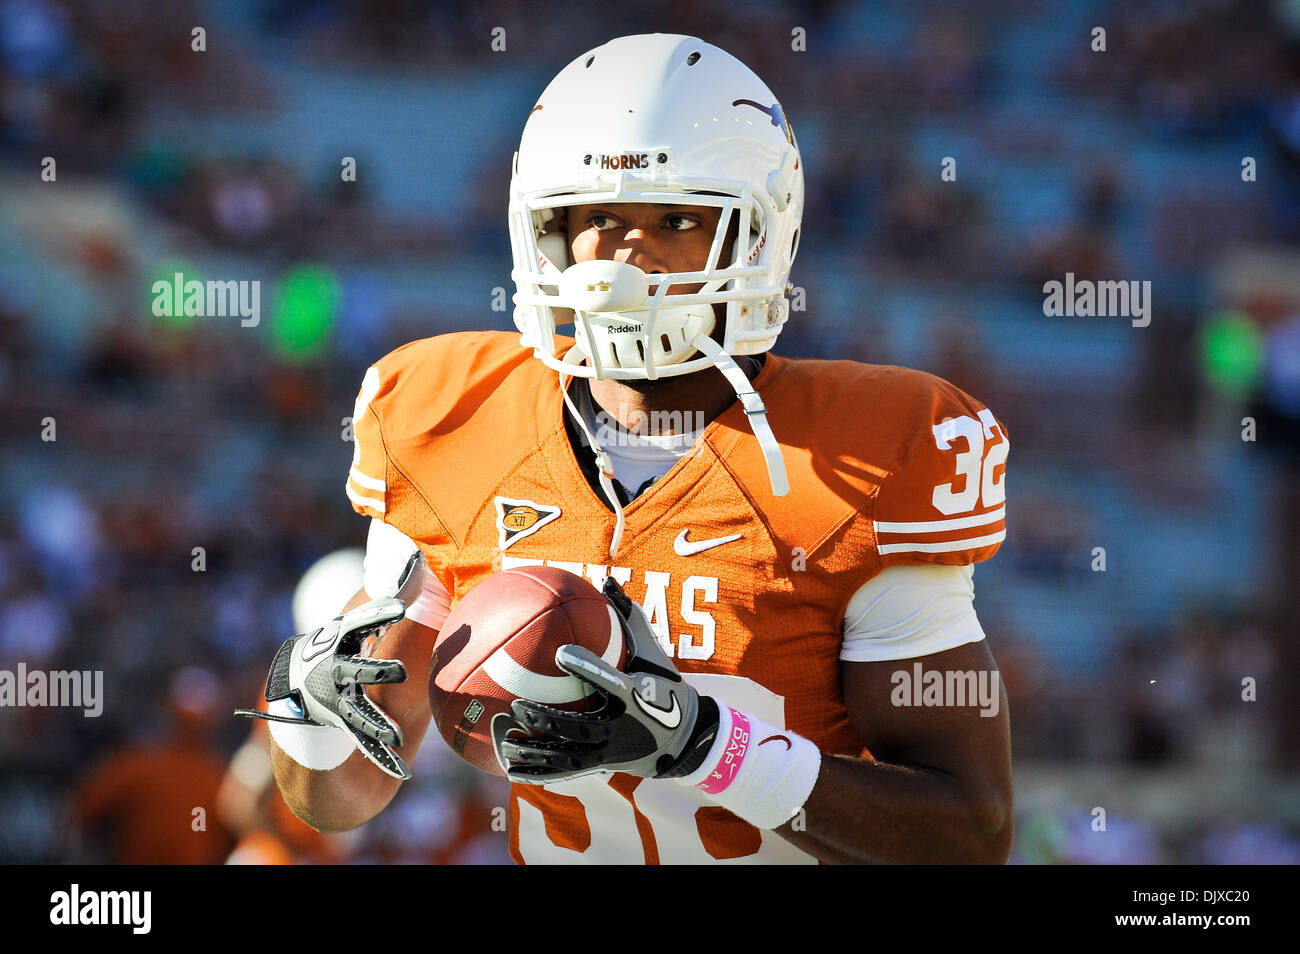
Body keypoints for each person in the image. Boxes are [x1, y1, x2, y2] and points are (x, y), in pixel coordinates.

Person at [243, 33, 1013, 864]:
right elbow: (338, 798)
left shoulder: (861, 462)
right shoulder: (452, 421)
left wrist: (711, 749)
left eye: (676, 219)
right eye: (599, 219)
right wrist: (309, 708)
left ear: (756, 237)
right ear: (546, 230)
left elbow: (969, 834)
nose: (623, 260)